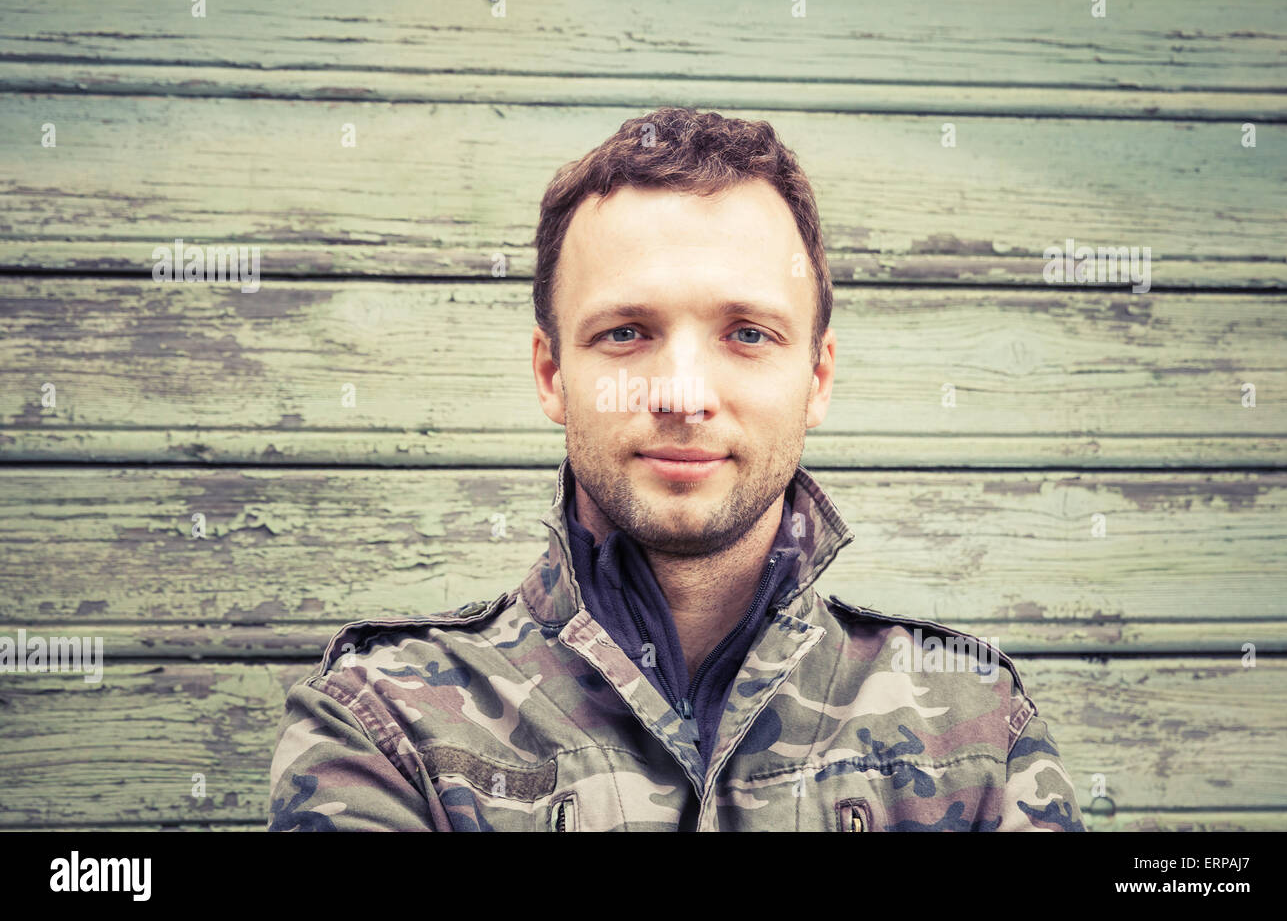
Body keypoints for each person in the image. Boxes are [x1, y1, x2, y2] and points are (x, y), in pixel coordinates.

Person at [267, 107, 1085, 832]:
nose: (684, 395)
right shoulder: (385, 722)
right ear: (553, 374)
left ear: (818, 377)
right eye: (626, 332)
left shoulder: (973, 724)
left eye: (748, 334)